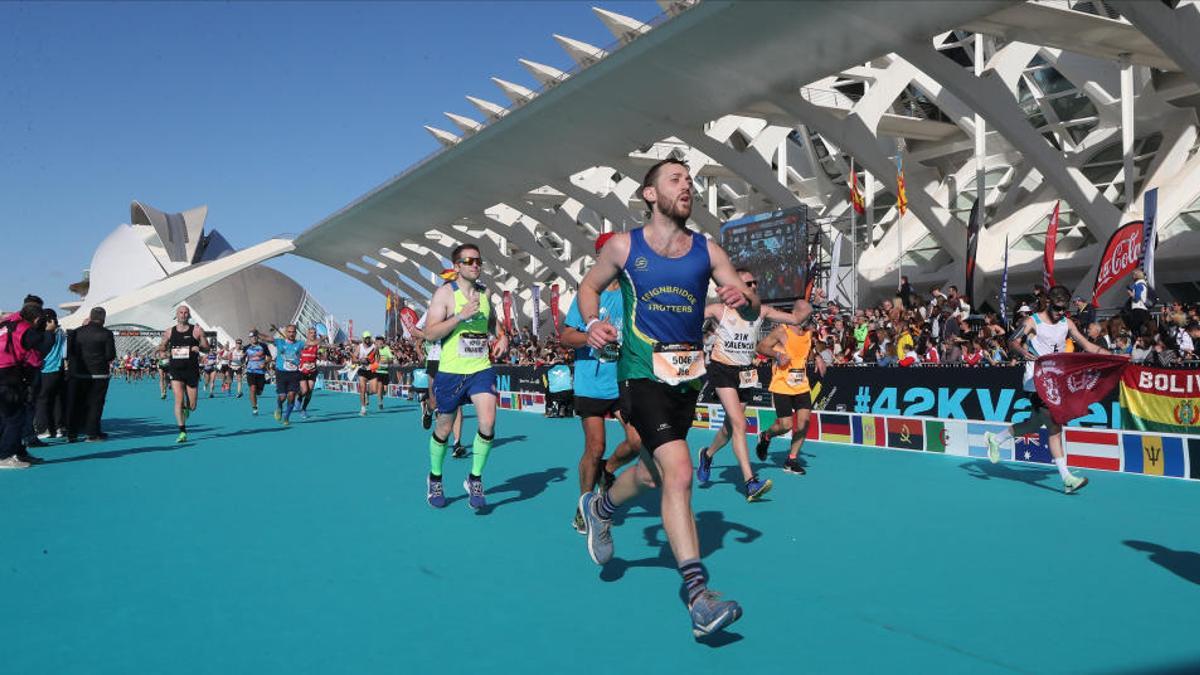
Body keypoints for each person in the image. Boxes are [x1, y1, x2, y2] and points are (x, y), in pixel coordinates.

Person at [575, 158, 758, 637]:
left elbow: (747, 298)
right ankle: (699, 597)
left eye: (690, 180)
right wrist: (594, 324)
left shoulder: (706, 249)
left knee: (652, 475)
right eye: (675, 179)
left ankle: (601, 508)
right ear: (649, 194)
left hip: (687, 379)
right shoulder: (624, 246)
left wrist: (744, 299)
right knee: (678, 471)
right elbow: (588, 288)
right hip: (639, 374)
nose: (687, 186)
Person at [986, 285, 1111, 494]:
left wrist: (1113, 356)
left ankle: (995, 438)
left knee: (1035, 424)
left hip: (1055, 382)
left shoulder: (1067, 323)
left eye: (1064, 309)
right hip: (1034, 382)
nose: (1061, 313)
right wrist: (1023, 352)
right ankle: (1067, 478)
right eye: (1057, 308)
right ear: (1048, 303)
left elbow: (1088, 346)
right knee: (1054, 426)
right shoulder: (1032, 321)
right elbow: (1012, 341)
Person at [696, 268, 803, 501]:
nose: (753, 287)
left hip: (745, 373)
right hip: (722, 370)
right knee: (739, 423)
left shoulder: (761, 311)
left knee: (729, 427)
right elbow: (689, 316)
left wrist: (806, 307)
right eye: (748, 284)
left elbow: (796, 319)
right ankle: (750, 482)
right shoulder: (719, 310)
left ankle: (707, 453)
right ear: (735, 287)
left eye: (755, 283)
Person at [560, 232, 642, 533]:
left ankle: (608, 470)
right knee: (595, 447)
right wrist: (589, 335)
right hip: (591, 382)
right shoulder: (587, 294)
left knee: (637, 441)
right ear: (601, 257)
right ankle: (585, 506)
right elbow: (566, 336)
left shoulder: (630, 294)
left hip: (622, 380)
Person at [421, 242, 508, 510]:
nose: (475, 265)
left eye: (478, 261)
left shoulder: (485, 293)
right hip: (451, 371)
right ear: (457, 266)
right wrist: (460, 316)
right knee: (444, 428)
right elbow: (430, 333)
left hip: (480, 368)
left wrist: (502, 336)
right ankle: (435, 478)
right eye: (469, 261)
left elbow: (493, 321)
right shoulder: (445, 294)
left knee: (488, 423)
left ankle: (475, 479)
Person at [752, 299, 819, 475]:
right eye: (808, 314)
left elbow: (807, 349)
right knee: (786, 425)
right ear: (796, 314)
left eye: (811, 315)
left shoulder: (808, 333)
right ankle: (765, 436)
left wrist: (817, 357)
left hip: (801, 385)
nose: (810, 318)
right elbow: (761, 346)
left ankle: (791, 460)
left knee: (803, 423)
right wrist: (777, 354)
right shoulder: (782, 330)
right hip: (782, 385)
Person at [414, 303, 467, 457]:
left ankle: (457, 444)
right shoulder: (433, 310)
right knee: (434, 402)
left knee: (457, 404)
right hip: (435, 359)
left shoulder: (463, 308)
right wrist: (429, 335)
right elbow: (415, 330)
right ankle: (428, 411)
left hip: (457, 360)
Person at [0, 302, 49, 468]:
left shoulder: (7, 324)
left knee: (7, 416)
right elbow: (39, 349)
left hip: (6, 372)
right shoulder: (24, 330)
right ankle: (5, 455)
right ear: (36, 319)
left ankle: (18, 452)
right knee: (16, 418)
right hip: (8, 374)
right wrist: (47, 332)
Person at [158, 305, 208, 443]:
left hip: (191, 371)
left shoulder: (196, 330)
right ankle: (182, 432)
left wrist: (200, 346)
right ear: (177, 315)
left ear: (189, 315)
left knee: (192, 406)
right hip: (176, 370)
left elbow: (207, 348)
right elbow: (162, 346)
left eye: (186, 313)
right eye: (181, 312)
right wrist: (162, 348)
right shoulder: (169, 332)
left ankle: (187, 407)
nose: (183, 315)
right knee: (178, 400)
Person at [35, 309, 68, 439]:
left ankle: (44, 429)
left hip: (46, 370)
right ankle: (58, 427)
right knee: (57, 399)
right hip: (58, 369)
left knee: (42, 400)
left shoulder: (45, 334)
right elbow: (64, 353)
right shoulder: (61, 333)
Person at [269, 323, 304, 426]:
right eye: (289, 332)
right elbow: (268, 338)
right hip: (281, 373)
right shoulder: (279, 342)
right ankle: (279, 407)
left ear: (296, 333)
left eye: (293, 332)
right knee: (283, 397)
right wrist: (257, 334)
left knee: (292, 395)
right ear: (286, 332)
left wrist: (326, 343)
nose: (291, 334)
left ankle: (287, 418)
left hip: (294, 373)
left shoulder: (300, 344)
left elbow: (312, 343)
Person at [243, 330, 272, 415]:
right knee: (252, 389)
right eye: (252, 337)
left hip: (261, 372)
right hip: (250, 372)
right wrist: (242, 360)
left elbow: (269, 357)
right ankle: (254, 408)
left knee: (259, 392)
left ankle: (258, 393)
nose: (254, 338)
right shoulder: (246, 347)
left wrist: (265, 363)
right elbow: (243, 357)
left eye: (255, 336)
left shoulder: (263, 346)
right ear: (250, 338)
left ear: (257, 337)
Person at [298, 328, 320, 418]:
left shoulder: (317, 345)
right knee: (304, 390)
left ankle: (303, 409)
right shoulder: (302, 344)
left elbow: (322, 354)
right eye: (311, 333)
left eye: (314, 333)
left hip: (312, 370)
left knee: (310, 391)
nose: (313, 334)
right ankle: (299, 398)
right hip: (302, 370)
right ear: (307, 334)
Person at [355, 331, 377, 416]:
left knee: (374, 390)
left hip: (371, 369)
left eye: (368, 337)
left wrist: (373, 361)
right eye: (366, 338)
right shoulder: (359, 347)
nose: (367, 339)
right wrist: (360, 360)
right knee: (362, 389)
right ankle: (363, 408)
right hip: (362, 370)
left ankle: (368, 393)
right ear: (363, 338)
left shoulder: (374, 347)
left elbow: (377, 358)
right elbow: (354, 358)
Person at [372, 334, 393, 411]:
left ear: (383, 342)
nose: (380, 344)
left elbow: (391, 359)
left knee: (385, 390)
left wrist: (386, 360)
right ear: (376, 342)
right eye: (378, 342)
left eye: (381, 342)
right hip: (378, 371)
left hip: (385, 371)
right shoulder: (374, 349)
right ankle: (380, 402)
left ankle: (380, 396)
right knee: (380, 386)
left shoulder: (386, 349)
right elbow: (370, 358)